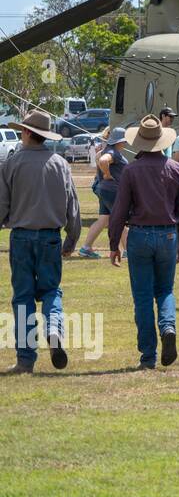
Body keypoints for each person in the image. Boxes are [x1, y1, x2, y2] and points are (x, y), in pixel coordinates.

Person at [0, 111, 80, 374]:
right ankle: (54, 330)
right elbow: (72, 205)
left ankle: (25, 360)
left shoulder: (11, 164)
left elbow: (2, 203)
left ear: (25, 132)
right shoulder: (60, 163)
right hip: (50, 237)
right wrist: (72, 238)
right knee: (50, 291)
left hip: (21, 236)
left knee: (22, 297)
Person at [107, 115, 179, 369]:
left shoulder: (131, 170)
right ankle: (168, 328)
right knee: (165, 291)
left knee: (142, 297)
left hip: (140, 235)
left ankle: (148, 356)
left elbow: (119, 210)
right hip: (167, 234)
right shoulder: (176, 169)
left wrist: (113, 244)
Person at [79, 126, 128, 258]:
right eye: (124, 141)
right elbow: (103, 161)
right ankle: (128, 250)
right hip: (112, 191)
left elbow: (100, 160)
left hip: (104, 189)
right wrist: (107, 174)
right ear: (119, 141)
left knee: (103, 219)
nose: (125, 143)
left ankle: (86, 247)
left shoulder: (105, 150)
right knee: (121, 219)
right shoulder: (113, 153)